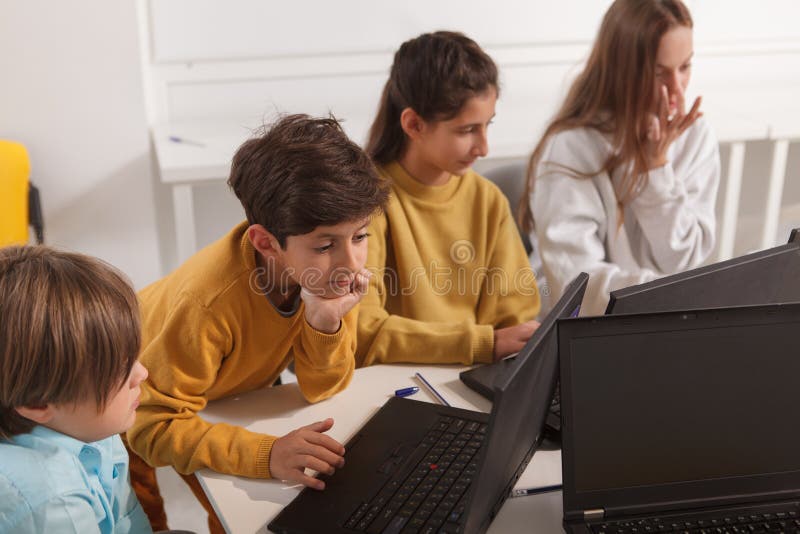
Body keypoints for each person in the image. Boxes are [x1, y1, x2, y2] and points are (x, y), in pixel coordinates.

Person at [126, 114, 390, 533]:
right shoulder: (206, 305)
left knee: (239, 512)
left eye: (360, 236)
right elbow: (151, 426)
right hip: (129, 395)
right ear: (266, 242)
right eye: (326, 245)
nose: (352, 263)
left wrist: (324, 323)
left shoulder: (326, 276)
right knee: (140, 518)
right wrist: (266, 454)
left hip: (219, 391)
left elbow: (322, 387)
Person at [521, 0, 720, 316]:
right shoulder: (570, 145)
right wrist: (669, 295)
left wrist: (656, 169)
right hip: (582, 328)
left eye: (684, 67)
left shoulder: (695, 136)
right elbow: (575, 285)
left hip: (663, 318)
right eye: (659, 73)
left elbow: (683, 260)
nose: (677, 90)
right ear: (621, 71)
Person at [358, 31, 540, 368]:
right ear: (414, 124)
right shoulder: (366, 203)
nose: (484, 147)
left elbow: (515, 323)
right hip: (393, 382)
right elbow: (362, 331)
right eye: (467, 130)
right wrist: (481, 344)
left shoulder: (487, 201)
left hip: (473, 375)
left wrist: (497, 345)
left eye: (487, 125)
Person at [0, 246, 152, 534]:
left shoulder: (93, 428)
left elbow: (128, 523)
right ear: (37, 403)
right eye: (120, 368)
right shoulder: (50, 499)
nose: (142, 373)